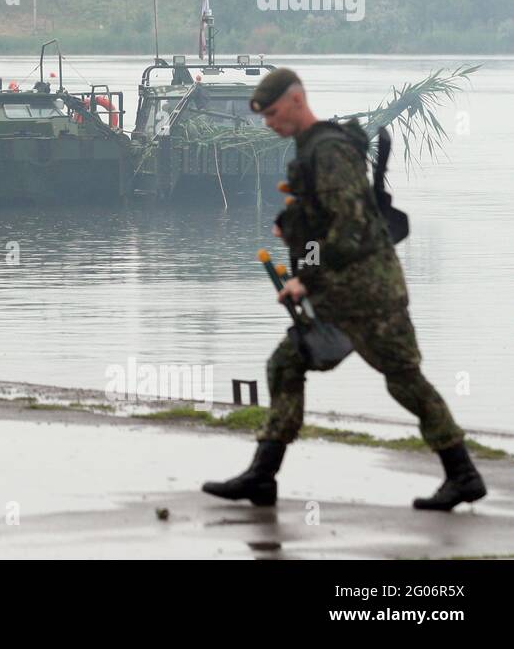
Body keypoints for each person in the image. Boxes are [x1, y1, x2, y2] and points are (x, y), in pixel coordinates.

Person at [202, 68, 485, 511]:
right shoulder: (312, 148)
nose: (270, 124)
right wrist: (294, 234)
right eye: (265, 118)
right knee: (286, 364)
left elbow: (350, 227)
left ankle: (463, 474)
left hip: (368, 292)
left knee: (404, 380)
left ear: (297, 100)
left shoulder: (329, 150)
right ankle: (262, 475)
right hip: (345, 289)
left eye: (274, 113)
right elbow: (324, 224)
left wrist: (305, 277)